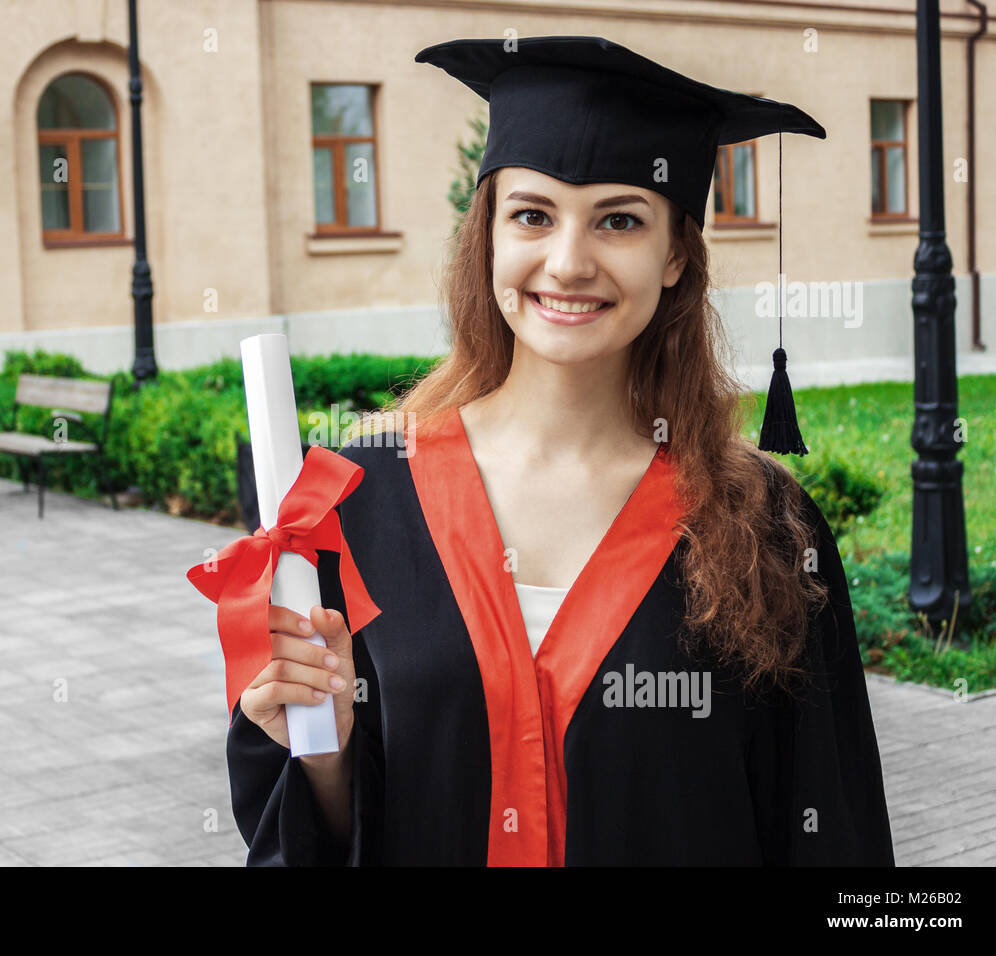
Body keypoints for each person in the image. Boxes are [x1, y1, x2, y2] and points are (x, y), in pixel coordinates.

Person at [224, 36, 895, 866]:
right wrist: (321, 754)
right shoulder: (359, 503)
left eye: (620, 220)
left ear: (677, 254)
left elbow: (829, 821)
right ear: (491, 240)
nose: (569, 263)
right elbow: (320, 827)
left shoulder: (764, 523)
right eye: (533, 216)